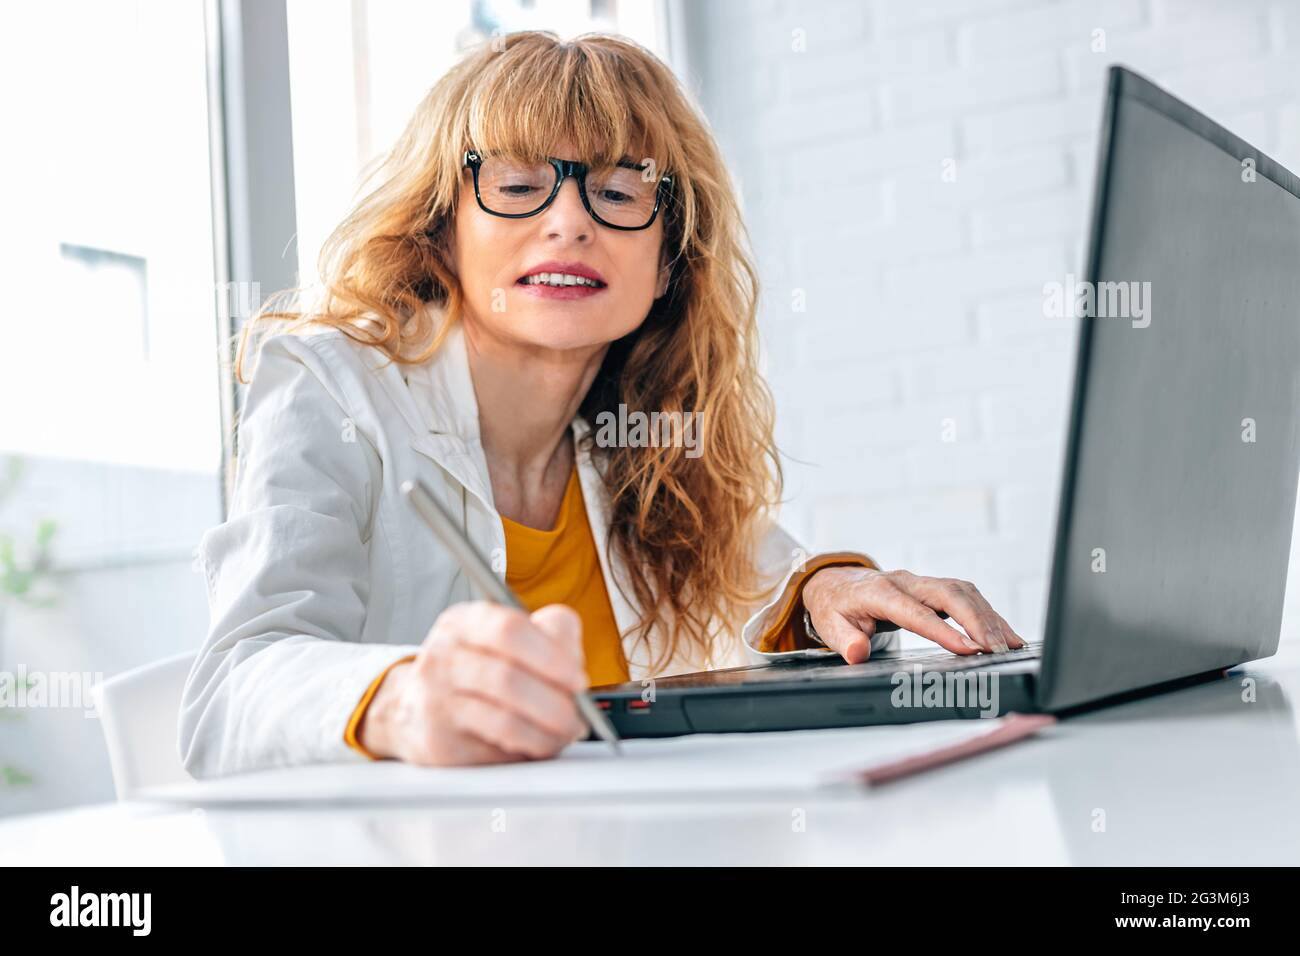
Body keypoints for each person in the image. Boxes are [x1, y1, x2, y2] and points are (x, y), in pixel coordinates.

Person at [180, 31, 1024, 778]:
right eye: (518, 185)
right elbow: (232, 687)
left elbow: (766, 581)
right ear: (442, 229)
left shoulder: (641, 433)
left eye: (620, 194)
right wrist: (404, 701)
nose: (570, 223)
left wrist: (834, 586)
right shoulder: (331, 384)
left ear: (666, 266)